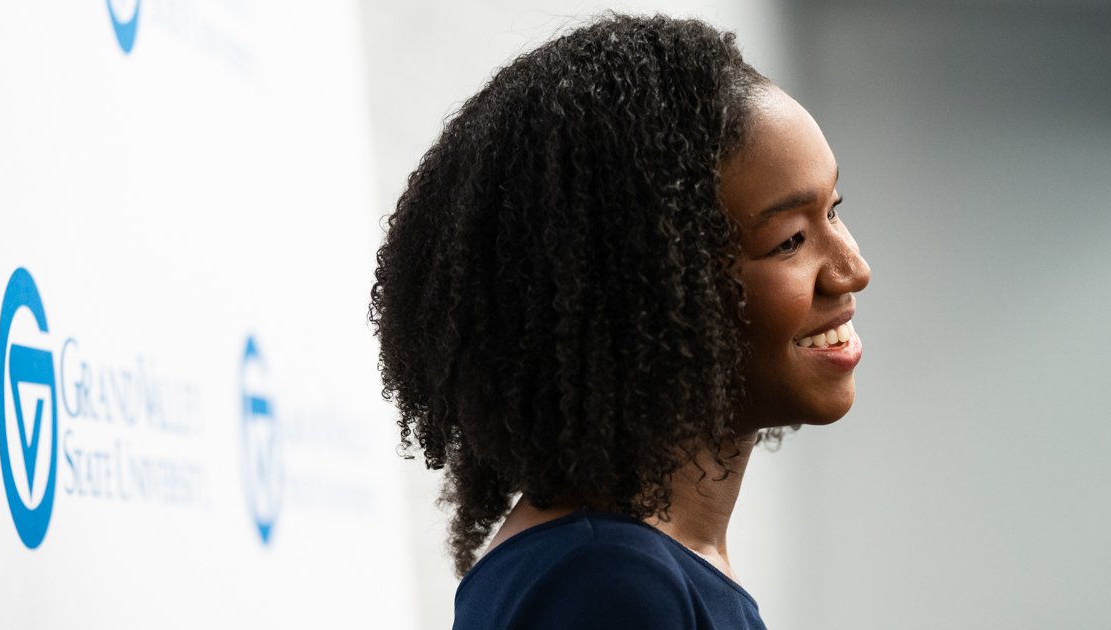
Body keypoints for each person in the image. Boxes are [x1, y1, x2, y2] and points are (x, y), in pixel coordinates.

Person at [370, 13, 870, 630]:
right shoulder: (609, 583)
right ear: (647, 287)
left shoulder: (625, 565)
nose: (853, 268)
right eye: (790, 240)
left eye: (833, 210)